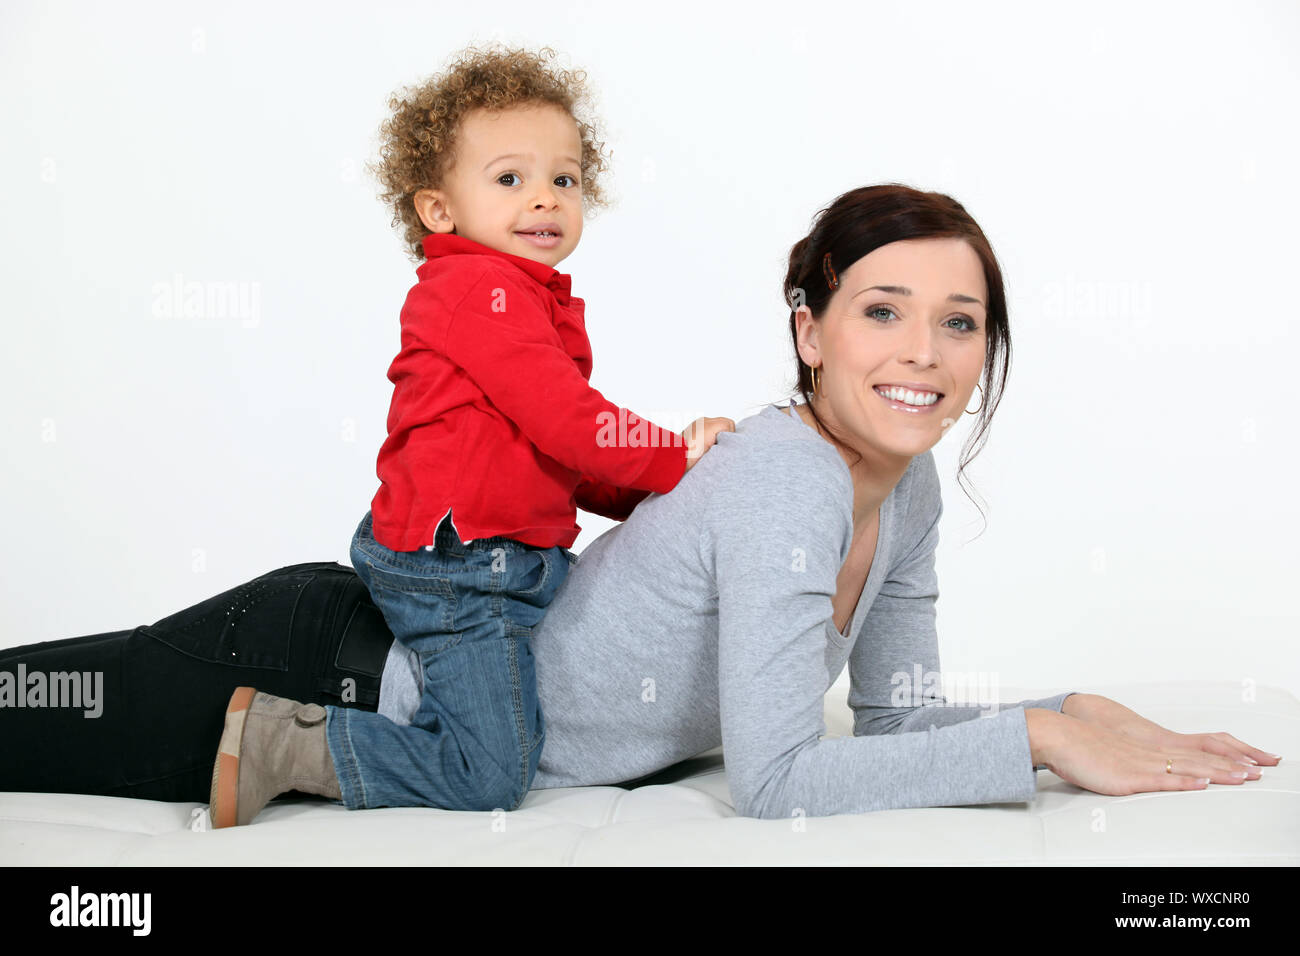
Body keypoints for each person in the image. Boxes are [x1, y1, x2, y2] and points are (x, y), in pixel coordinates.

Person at [0, 184, 1278, 821]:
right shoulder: (785, 472)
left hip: (377, 644)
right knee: (24, 709)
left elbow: (887, 723)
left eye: (959, 322)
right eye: (881, 311)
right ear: (810, 331)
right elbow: (776, 780)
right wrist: (1041, 746)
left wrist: (1058, 707)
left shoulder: (914, 489)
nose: (923, 354)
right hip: (332, 664)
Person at [207, 45, 735, 827]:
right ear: (439, 210)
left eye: (565, 179)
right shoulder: (476, 289)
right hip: (458, 569)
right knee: (490, 770)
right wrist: (670, 455)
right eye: (510, 179)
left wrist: (649, 489)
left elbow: (557, 448)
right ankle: (293, 743)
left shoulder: (526, 298)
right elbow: (571, 420)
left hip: (500, 562)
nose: (546, 201)